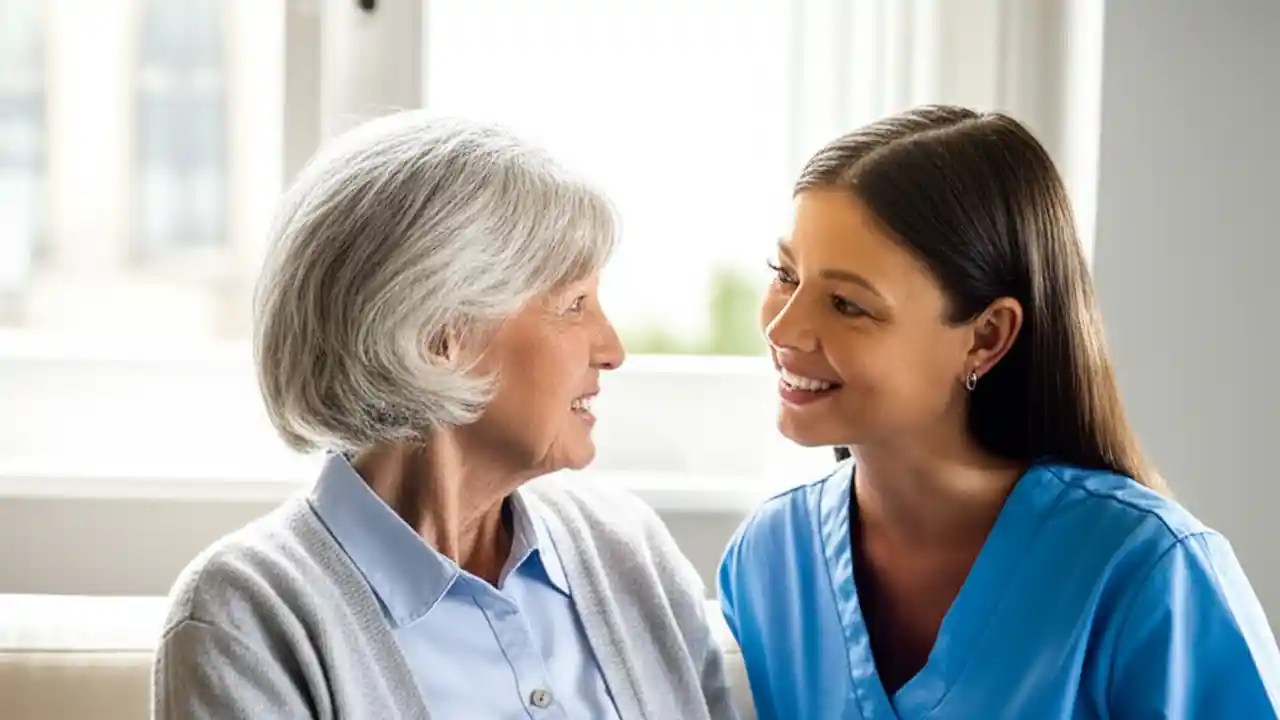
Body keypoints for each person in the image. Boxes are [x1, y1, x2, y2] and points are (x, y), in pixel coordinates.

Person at [153, 111, 737, 720]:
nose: (611, 349)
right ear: (441, 336)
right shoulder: (245, 615)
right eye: (574, 305)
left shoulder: (627, 550)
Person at [718, 105, 1280, 719]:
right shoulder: (770, 559)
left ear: (986, 336)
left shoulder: (1147, 571)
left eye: (848, 305)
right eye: (784, 274)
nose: (784, 327)